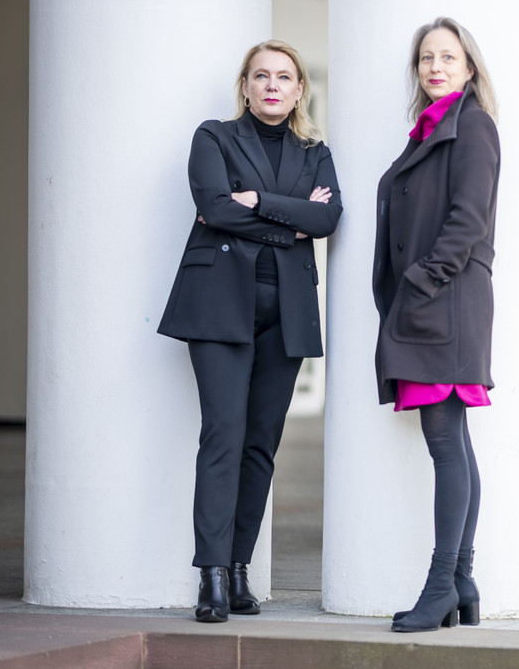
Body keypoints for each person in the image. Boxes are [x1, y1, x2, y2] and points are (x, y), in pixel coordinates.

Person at [158, 40, 343, 623]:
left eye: (284, 77)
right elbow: (214, 208)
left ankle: (240, 568)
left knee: (261, 444)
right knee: (224, 435)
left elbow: (328, 217)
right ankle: (211, 574)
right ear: (245, 85)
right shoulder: (213, 137)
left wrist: (261, 200)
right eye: (260, 76)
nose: (271, 85)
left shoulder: (315, 151)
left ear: (298, 90)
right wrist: (289, 222)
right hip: (217, 305)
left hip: (285, 312)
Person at [373, 17, 500, 633]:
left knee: (445, 443)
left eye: (448, 57)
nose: (435, 67)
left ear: (469, 67)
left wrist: (420, 282)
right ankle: (463, 578)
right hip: (432, 304)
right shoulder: (427, 130)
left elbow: (468, 219)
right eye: (426, 58)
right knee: (455, 443)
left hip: (444, 304)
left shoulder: (472, 125)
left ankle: (441, 584)